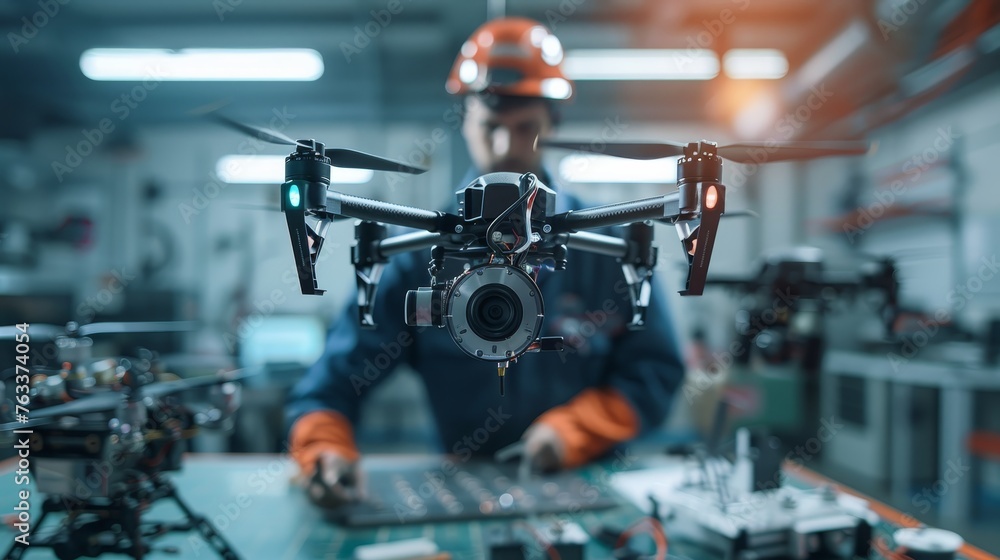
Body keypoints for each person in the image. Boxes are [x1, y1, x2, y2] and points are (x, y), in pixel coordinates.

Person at [286, 17, 686, 508]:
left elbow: (656, 370)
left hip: (585, 482)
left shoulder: (606, 245)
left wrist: (575, 431)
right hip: (461, 489)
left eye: (525, 129)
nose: (505, 147)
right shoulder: (414, 253)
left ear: (552, 125)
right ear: (466, 120)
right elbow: (331, 383)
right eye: (491, 127)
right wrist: (323, 447)